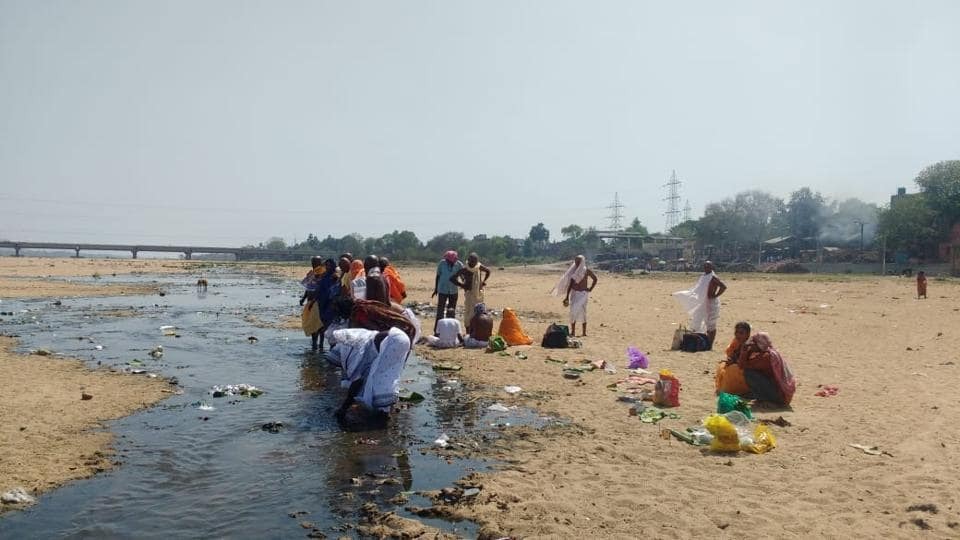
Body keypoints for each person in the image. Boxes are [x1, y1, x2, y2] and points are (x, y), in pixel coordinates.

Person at [330, 327, 412, 424]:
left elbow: (357, 380)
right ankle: (385, 410)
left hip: (392, 341)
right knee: (386, 377)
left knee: (375, 378)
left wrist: (344, 407)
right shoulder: (358, 344)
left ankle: (383, 411)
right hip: (403, 340)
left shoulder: (358, 355)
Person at [673, 261, 726, 346]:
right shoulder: (703, 276)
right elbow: (698, 289)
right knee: (698, 321)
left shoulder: (713, 277)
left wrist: (715, 295)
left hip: (711, 303)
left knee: (711, 325)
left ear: (712, 267)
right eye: (705, 266)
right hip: (702, 303)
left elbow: (723, 287)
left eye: (708, 266)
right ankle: (703, 342)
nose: (706, 268)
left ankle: (710, 344)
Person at [738, 332, 796, 407]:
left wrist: (744, 350)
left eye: (753, 343)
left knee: (749, 373)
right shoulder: (769, 352)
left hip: (780, 396)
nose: (751, 345)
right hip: (782, 393)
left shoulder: (766, 357)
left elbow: (742, 366)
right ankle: (763, 399)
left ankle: (771, 401)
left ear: (759, 344)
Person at [550, 255, 597, 337]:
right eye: (576, 261)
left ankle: (584, 333)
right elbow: (570, 285)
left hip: (583, 294)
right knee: (573, 312)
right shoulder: (573, 272)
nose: (577, 263)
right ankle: (573, 332)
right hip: (574, 294)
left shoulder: (586, 271)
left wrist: (590, 289)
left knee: (583, 312)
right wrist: (567, 297)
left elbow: (595, 279)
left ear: (582, 262)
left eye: (578, 261)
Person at [450, 253, 491, 330]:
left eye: (474, 261)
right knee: (468, 313)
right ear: (468, 261)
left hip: (478, 294)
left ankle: (477, 329)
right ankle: (468, 330)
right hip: (469, 294)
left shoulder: (479, 267)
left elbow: (488, 271)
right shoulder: (464, 270)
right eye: (471, 261)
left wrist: (483, 281)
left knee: (478, 312)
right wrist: (462, 285)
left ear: (477, 261)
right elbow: (452, 279)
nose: (473, 263)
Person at [714, 321, 751, 395]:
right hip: (737, 365)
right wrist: (730, 360)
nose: (737, 335)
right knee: (722, 366)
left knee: (733, 369)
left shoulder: (750, 345)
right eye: (736, 332)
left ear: (748, 334)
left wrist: (734, 362)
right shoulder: (736, 342)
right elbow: (731, 354)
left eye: (741, 333)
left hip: (747, 373)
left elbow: (748, 363)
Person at [432, 250, 464, 332]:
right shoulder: (442, 263)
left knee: (451, 311)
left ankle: (451, 330)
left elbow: (463, 276)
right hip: (442, 290)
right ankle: (437, 330)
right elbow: (438, 276)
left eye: (449, 260)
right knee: (440, 311)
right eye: (447, 260)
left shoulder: (459, 264)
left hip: (453, 290)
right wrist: (436, 289)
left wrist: (465, 285)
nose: (447, 261)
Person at [299, 256, 327, 351]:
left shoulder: (323, 273)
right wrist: (303, 298)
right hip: (310, 301)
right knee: (312, 323)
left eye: (316, 262)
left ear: (320, 262)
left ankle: (320, 345)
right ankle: (314, 343)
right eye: (313, 262)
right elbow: (308, 287)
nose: (314, 263)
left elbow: (321, 289)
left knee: (319, 324)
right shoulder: (311, 273)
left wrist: (315, 300)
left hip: (319, 302)